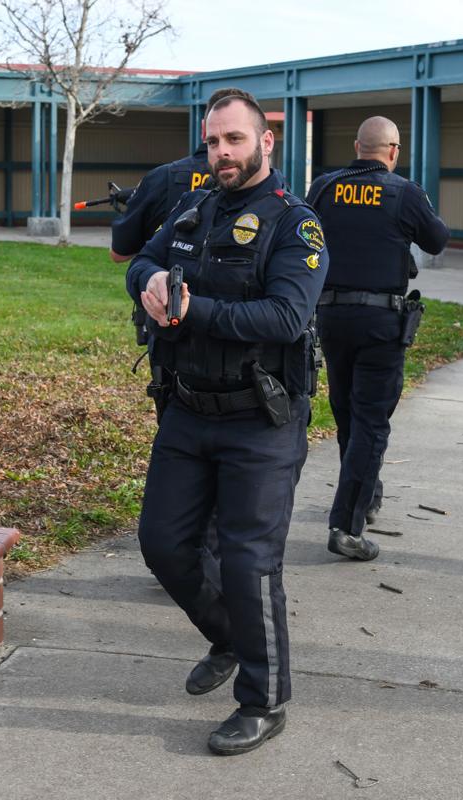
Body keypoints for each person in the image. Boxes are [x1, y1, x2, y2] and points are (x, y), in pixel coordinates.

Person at [125, 89, 327, 755]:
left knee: (249, 562)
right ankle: (233, 638)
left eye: (234, 140)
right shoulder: (194, 207)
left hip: (260, 419)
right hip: (187, 409)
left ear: (266, 140)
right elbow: (144, 260)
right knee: (163, 545)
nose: (221, 154)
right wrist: (152, 283)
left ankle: (264, 701)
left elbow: (285, 317)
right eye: (213, 142)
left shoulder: (293, 224)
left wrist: (190, 311)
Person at [306, 116, 449, 561]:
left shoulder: (324, 187)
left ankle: (365, 496)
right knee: (371, 421)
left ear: (357, 146)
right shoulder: (404, 192)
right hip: (380, 323)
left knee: (348, 413)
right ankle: (346, 526)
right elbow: (437, 239)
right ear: (393, 151)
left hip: (331, 317)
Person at [109, 87, 259, 263]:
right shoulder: (276, 191)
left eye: (235, 138)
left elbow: (120, 252)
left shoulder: (162, 178)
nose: (224, 152)